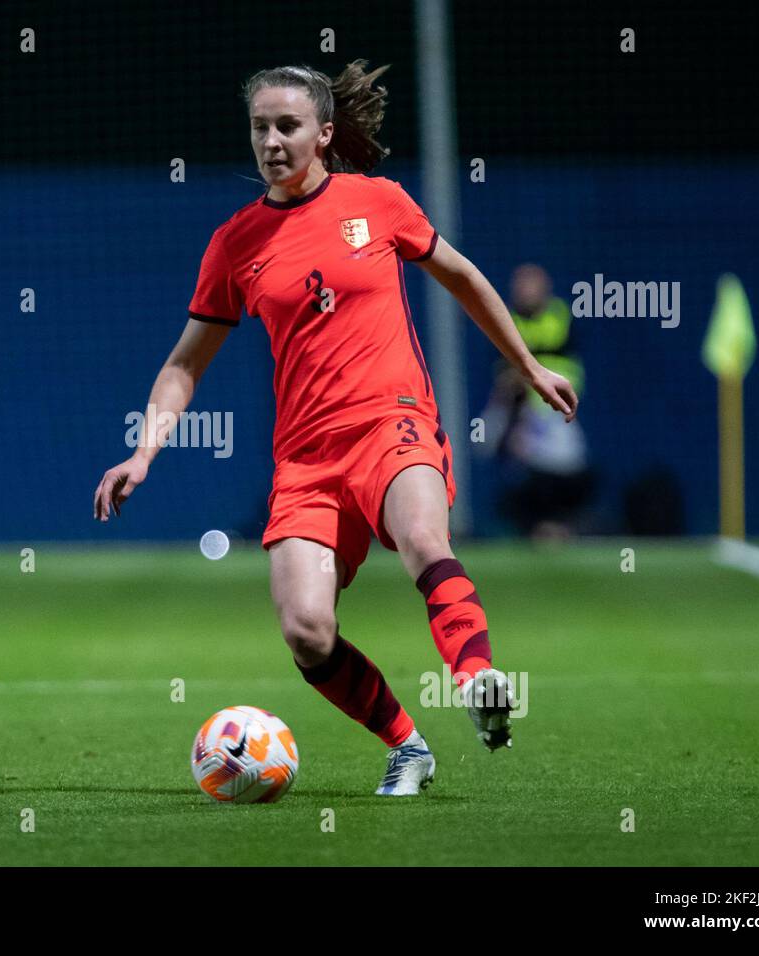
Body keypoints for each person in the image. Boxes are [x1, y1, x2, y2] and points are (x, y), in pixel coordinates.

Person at [92, 61, 578, 796]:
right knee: (306, 630)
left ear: (323, 133)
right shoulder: (237, 243)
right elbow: (185, 363)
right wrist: (144, 450)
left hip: (394, 423)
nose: (272, 141)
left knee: (422, 538)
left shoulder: (378, 203)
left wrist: (529, 365)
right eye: (260, 127)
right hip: (307, 460)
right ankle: (409, 747)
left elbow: (466, 278)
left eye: (287, 126)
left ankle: (477, 681)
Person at [479, 264, 594, 539]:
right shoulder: (507, 319)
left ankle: (559, 523)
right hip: (516, 408)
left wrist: (530, 377)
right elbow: (502, 373)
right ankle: (535, 526)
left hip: (553, 406)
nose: (524, 292)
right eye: (520, 286)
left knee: (566, 464)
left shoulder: (559, 315)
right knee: (487, 445)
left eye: (530, 286)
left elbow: (564, 364)